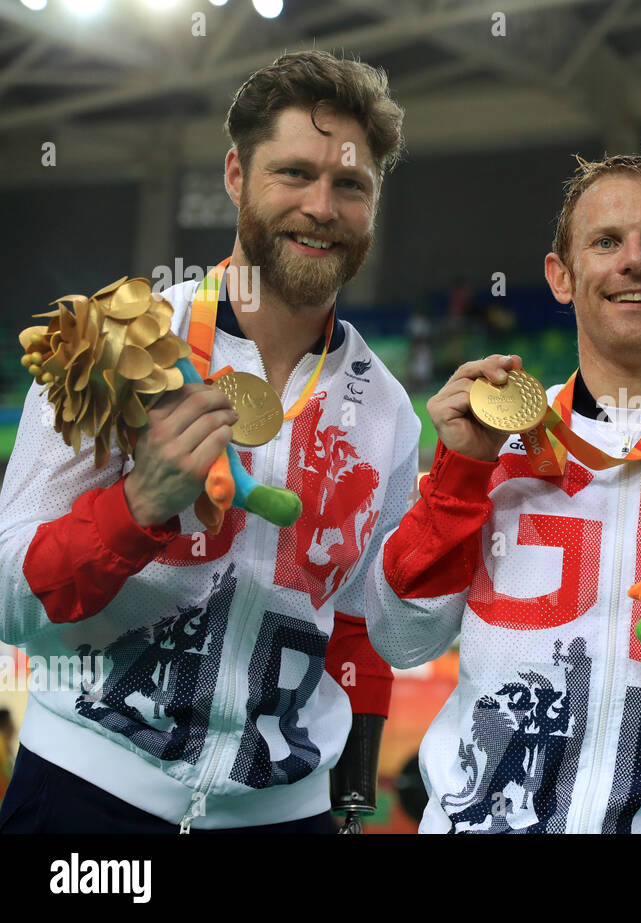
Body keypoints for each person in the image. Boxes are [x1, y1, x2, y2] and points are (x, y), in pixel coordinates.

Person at [0, 50, 413, 833]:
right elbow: (5, 596)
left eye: (350, 184)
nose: (322, 206)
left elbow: (361, 626)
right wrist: (135, 507)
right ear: (235, 175)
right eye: (293, 173)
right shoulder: (114, 346)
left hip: (287, 819)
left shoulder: (388, 410)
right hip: (86, 802)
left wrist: (353, 801)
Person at [365, 154, 641, 833]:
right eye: (606, 241)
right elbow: (400, 638)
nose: (633, 261)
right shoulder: (488, 448)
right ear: (560, 277)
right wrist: (457, 480)